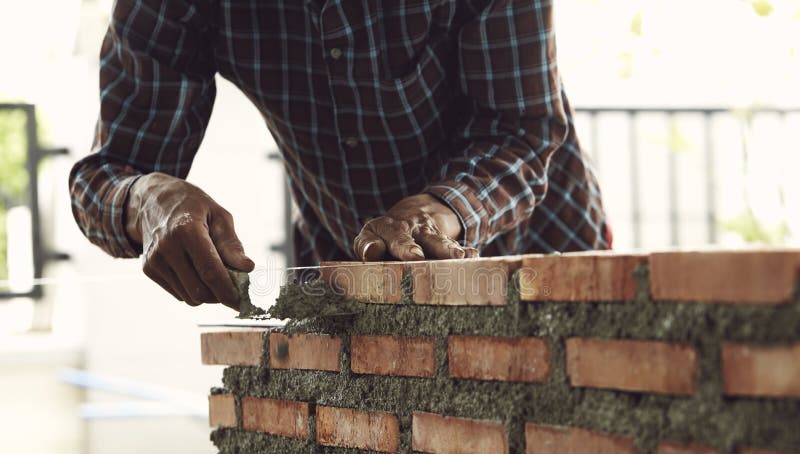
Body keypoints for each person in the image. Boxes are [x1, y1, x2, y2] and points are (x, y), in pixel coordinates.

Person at [69, 0, 611, 311]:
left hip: (538, 244)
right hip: (349, 263)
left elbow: (519, 130)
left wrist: (435, 212)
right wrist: (147, 200)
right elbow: (110, 173)